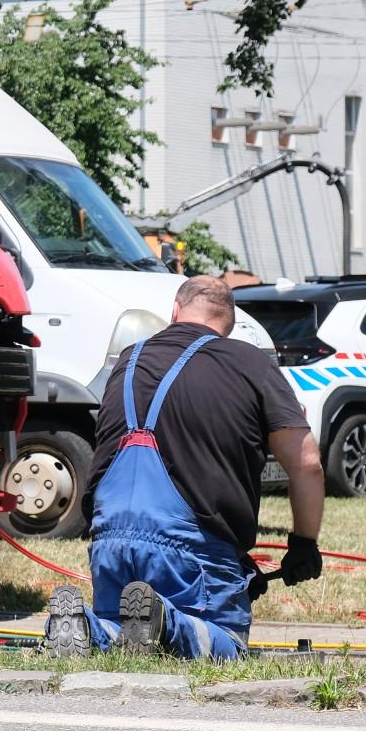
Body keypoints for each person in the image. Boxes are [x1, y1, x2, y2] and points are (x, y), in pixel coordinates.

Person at [45, 275, 324, 659]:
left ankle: (85, 627)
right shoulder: (248, 362)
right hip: (190, 546)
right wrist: (304, 544)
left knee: (120, 633)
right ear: (228, 323)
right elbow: (306, 462)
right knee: (228, 642)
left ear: (175, 311)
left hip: (110, 539)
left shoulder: (129, 359)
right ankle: (166, 625)